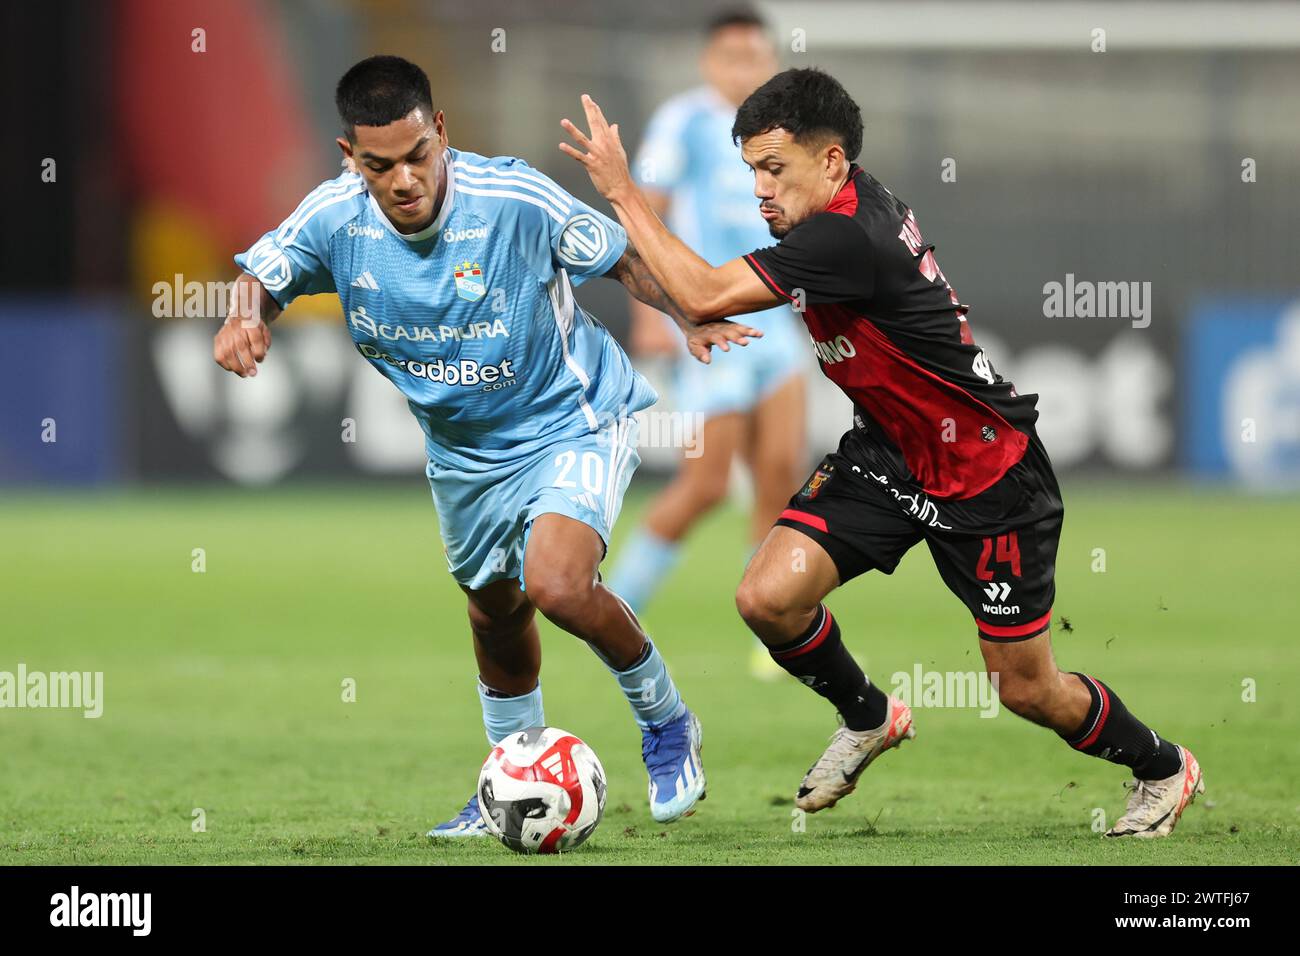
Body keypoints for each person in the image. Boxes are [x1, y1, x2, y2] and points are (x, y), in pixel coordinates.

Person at [559, 68, 1204, 837]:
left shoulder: (843, 236)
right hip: (890, 456)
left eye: (774, 169)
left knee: (1027, 690)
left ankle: (1163, 767)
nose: (760, 190)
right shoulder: (830, 215)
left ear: (832, 162)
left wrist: (623, 192)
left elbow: (701, 291)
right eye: (751, 172)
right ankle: (868, 716)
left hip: (987, 476)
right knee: (766, 597)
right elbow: (705, 291)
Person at [214, 55, 761, 835]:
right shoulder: (334, 218)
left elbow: (622, 256)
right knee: (495, 614)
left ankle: (667, 724)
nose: (403, 180)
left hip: (571, 417)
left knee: (559, 585)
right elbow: (261, 272)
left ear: (441, 132)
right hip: (465, 456)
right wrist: (245, 317)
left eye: (416, 157)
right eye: (379, 166)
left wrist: (685, 312)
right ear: (349, 159)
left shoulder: (511, 196)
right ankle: (506, 780)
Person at [607, 11, 808, 685]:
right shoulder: (683, 122)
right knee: (707, 483)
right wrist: (651, 309)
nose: (742, 67)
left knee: (782, 470)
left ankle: (774, 629)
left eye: (754, 55)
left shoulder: (791, 129)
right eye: (730, 55)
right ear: (708, 62)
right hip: (712, 321)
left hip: (776, 318)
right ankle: (614, 605)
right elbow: (645, 207)